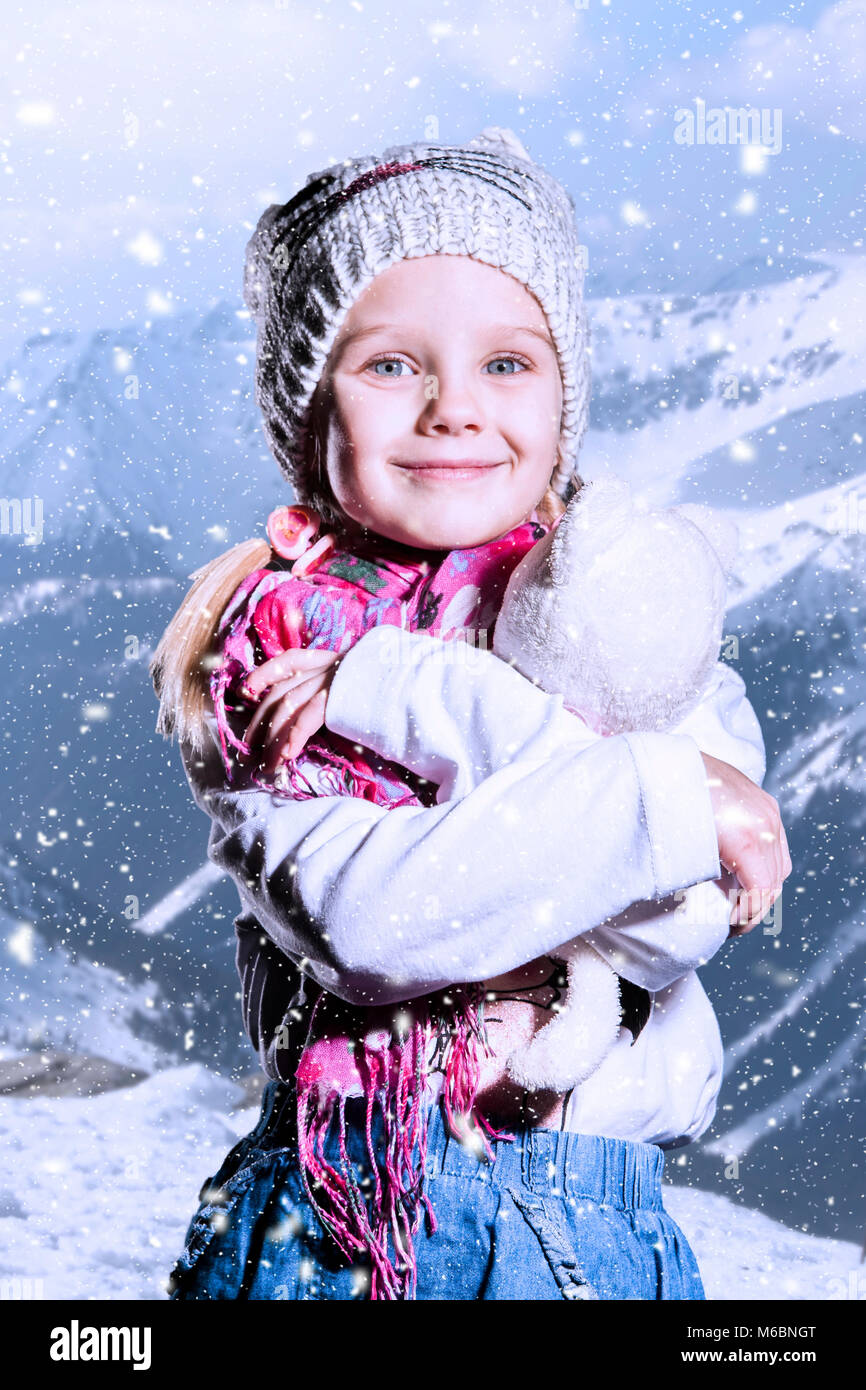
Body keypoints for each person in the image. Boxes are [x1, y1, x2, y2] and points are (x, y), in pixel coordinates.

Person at [150, 127, 791, 1301]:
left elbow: (681, 922)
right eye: (390, 364)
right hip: (351, 1223)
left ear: (563, 394)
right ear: (306, 412)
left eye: (508, 362)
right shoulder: (274, 649)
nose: (453, 407)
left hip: (599, 1229)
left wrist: (639, 825)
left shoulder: (626, 605)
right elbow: (375, 921)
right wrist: (667, 799)